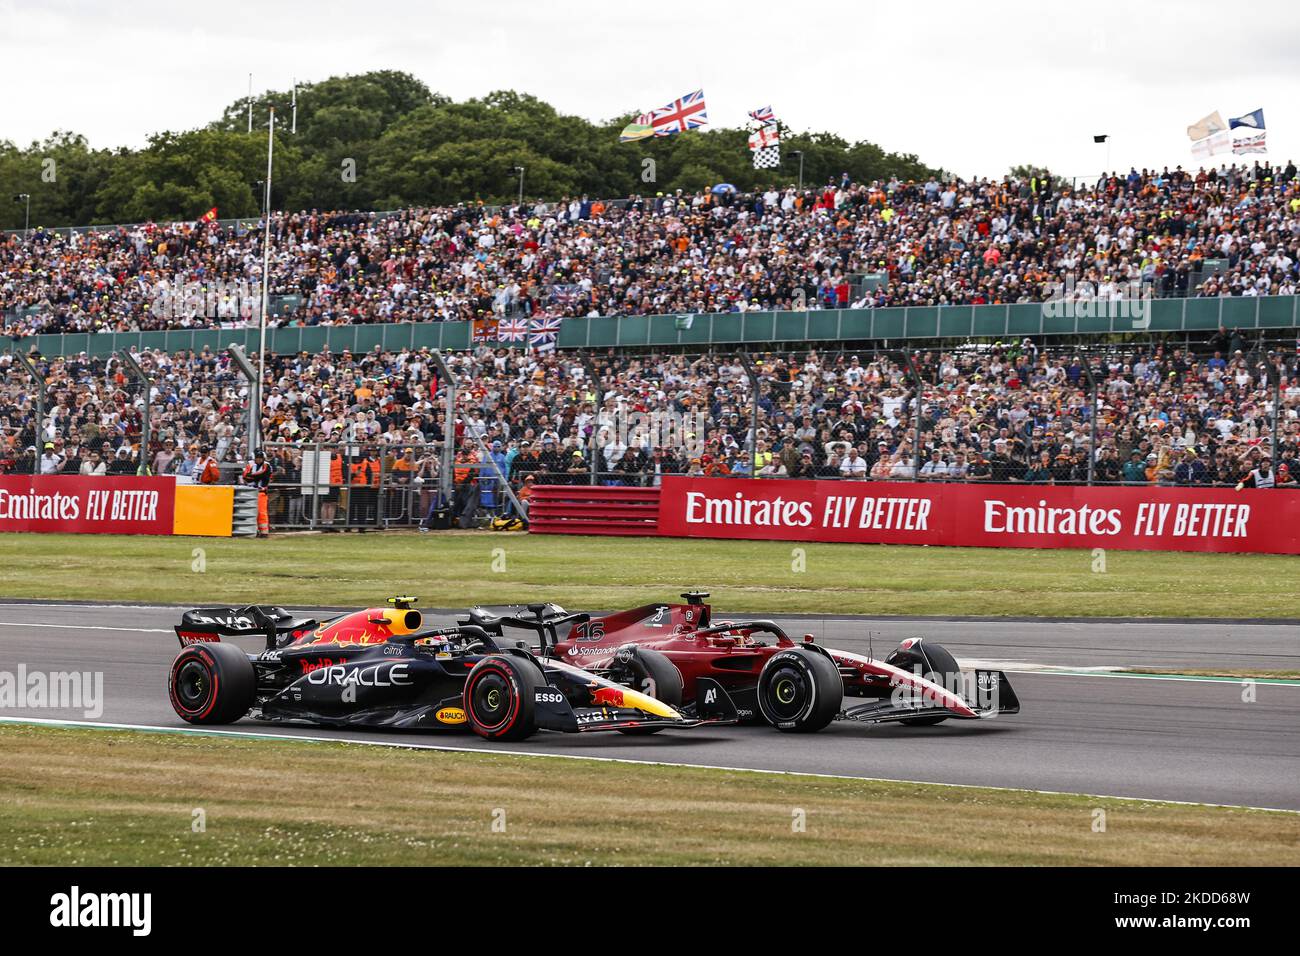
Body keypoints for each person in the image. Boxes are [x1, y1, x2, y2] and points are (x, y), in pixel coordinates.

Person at [241, 450, 274, 537]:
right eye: (257, 458)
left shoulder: (267, 465)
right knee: (249, 512)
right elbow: (245, 476)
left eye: (260, 458)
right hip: (250, 492)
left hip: (261, 492)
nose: (259, 460)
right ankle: (252, 531)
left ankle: (264, 532)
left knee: (261, 512)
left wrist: (251, 476)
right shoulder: (250, 464)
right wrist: (253, 477)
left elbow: (263, 474)